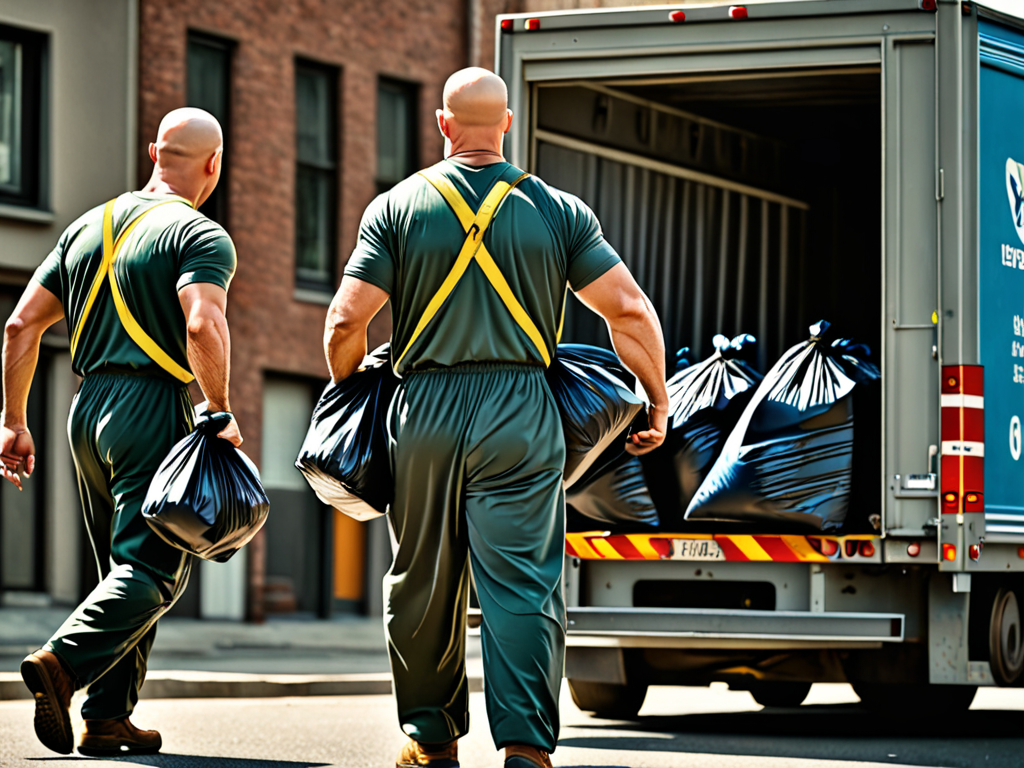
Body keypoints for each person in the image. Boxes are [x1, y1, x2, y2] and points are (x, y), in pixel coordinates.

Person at [324, 68, 668, 768]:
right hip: (520, 411)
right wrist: (658, 399)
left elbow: (344, 322)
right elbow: (628, 310)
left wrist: (351, 392)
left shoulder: (396, 207)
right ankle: (525, 747)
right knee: (522, 584)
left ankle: (431, 738)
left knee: (422, 577)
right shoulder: (557, 209)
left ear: (444, 125)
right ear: (506, 124)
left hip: (421, 410)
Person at [2, 108, 240, 757]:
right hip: (151, 406)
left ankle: (109, 717)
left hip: (87, 411)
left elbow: (21, 327)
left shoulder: (85, 227)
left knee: (122, 567)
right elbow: (201, 325)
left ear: (152, 152)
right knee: (155, 570)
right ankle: (62, 664)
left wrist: (13, 420)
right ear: (213, 165)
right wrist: (217, 409)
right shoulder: (199, 234)